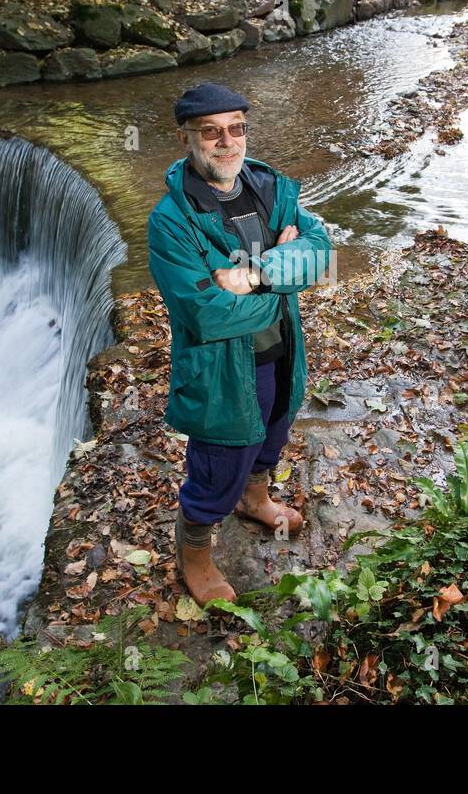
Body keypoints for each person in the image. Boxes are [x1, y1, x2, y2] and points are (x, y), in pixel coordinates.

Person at [146, 81, 334, 606]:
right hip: (220, 366)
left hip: (281, 347)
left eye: (236, 129)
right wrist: (285, 278)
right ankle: (196, 548)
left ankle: (255, 498)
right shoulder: (170, 220)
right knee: (221, 456)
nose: (226, 142)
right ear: (188, 139)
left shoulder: (272, 189)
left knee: (274, 427)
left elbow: (321, 250)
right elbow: (205, 312)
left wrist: (252, 274)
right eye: (211, 132)